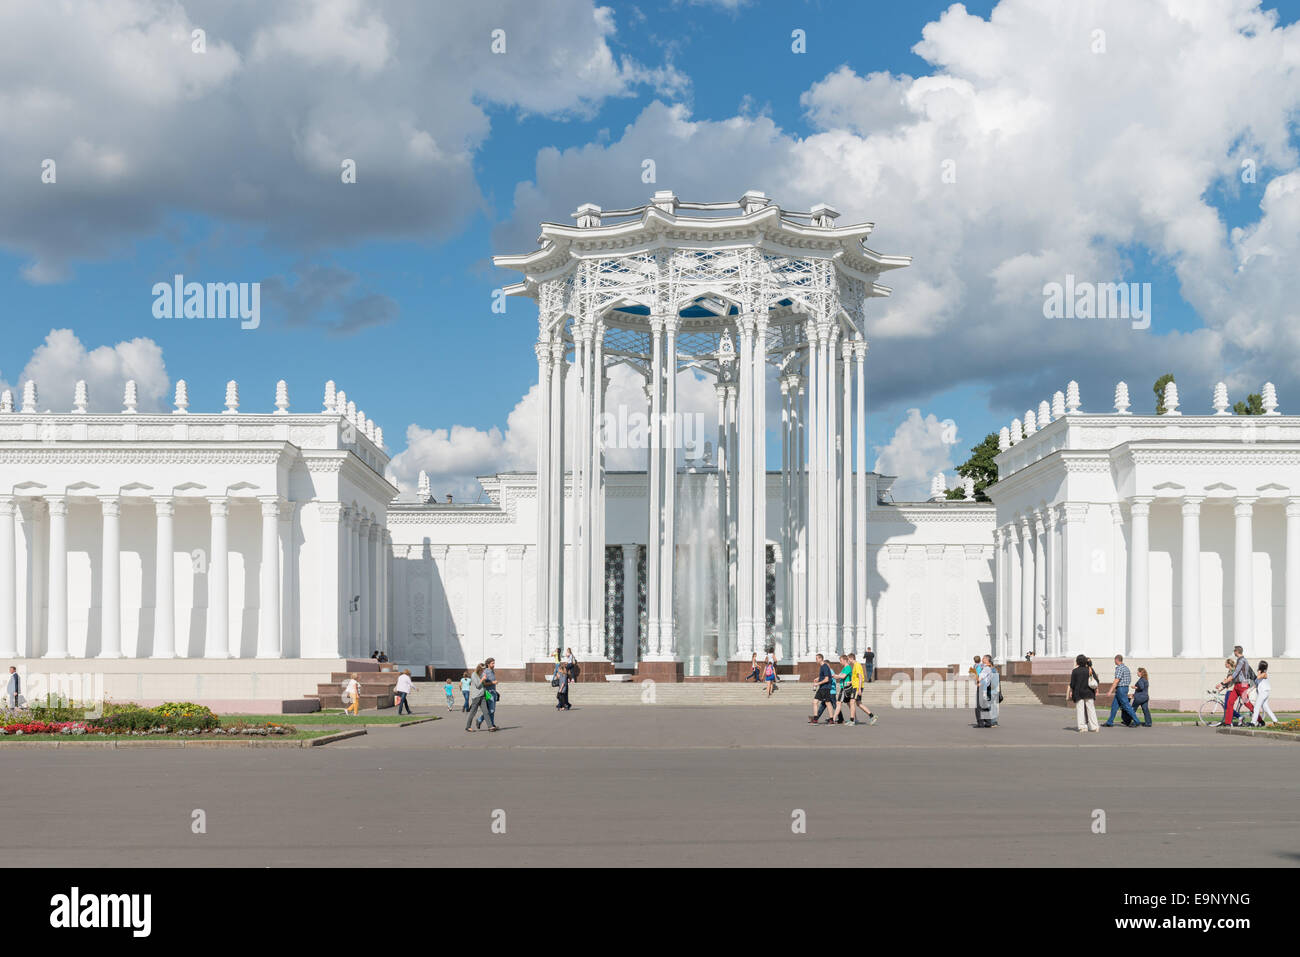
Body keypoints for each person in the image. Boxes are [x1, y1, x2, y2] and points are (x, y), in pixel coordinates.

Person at [1217, 646, 1255, 726]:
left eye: (1234, 651)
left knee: (1245, 703)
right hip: (1237, 686)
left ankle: (1258, 719)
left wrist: (1222, 684)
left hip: (1241, 686)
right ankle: (1228, 722)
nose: (1234, 652)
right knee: (1229, 704)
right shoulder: (1238, 662)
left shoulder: (1241, 661)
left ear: (1237, 651)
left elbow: (1234, 675)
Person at [1101, 654, 1139, 728]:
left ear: (1116, 660)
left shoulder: (1119, 668)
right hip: (1124, 688)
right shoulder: (1126, 668)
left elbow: (1116, 681)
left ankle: (1136, 721)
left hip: (1121, 689)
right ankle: (1110, 722)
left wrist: (1110, 691)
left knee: (1126, 706)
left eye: (1114, 660)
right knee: (1114, 706)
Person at [1067, 653, 1099, 732]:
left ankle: (1082, 727)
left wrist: (1071, 691)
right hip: (1089, 692)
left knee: (1080, 710)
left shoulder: (1075, 671)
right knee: (1091, 710)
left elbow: (1072, 684)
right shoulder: (1089, 670)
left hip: (1078, 693)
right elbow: (1096, 681)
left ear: (1077, 661)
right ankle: (1094, 727)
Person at [847, 652, 877, 725]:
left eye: (848, 659)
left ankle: (852, 720)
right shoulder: (855, 665)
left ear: (851, 658)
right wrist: (851, 682)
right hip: (856, 686)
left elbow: (860, 677)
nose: (848, 661)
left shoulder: (857, 665)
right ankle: (872, 716)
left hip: (857, 687)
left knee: (852, 702)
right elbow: (856, 678)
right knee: (859, 704)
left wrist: (859, 689)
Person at [808, 654, 837, 724]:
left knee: (828, 703)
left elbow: (827, 679)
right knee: (815, 702)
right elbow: (824, 676)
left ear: (821, 659)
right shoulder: (822, 667)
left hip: (826, 688)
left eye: (817, 659)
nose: (816, 660)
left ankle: (831, 720)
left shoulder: (825, 666)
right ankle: (815, 719)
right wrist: (818, 679)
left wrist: (817, 683)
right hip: (822, 688)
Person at [975, 655, 1000, 728]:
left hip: (982, 687)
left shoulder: (986, 668)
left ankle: (980, 723)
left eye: (984, 658)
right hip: (985, 688)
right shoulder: (987, 667)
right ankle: (988, 722)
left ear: (987, 660)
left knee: (978, 706)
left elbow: (980, 678)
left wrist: (977, 679)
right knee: (984, 705)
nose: (982, 659)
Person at [1252, 661, 1279, 726]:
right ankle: (1275, 720)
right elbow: (1256, 684)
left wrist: (1258, 672)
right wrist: (1250, 690)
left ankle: (1253, 722)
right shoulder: (1261, 674)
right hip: (1262, 693)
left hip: (1263, 692)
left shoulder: (1264, 674)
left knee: (1256, 707)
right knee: (1266, 707)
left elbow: (1258, 677)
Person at [476, 658, 499, 731]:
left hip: (493, 692)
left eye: (494, 663)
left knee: (492, 710)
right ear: (488, 664)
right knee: (491, 710)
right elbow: (484, 683)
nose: (494, 664)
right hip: (488, 693)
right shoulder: (485, 672)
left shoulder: (492, 671)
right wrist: (493, 683)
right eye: (492, 663)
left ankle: (492, 725)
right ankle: (480, 720)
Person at [464, 664, 486, 731]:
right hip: (476, 696)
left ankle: (491, 726)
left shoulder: (481, 674)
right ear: (480, 668)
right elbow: (478, 685)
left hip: (482, 695)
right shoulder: (474, 674)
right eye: (483, 669)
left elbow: (482, 684)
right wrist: (482, 679)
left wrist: (483, 680)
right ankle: (468, 727)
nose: (484, 670)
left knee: (486, 711)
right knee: (473, 712)